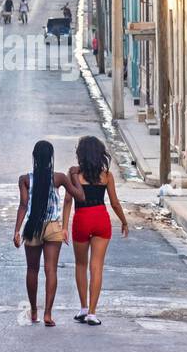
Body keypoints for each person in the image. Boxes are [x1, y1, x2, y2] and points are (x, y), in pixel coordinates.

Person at [13, 141, 86, 326]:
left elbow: (23, 206)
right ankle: (48, 314)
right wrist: (75, 176)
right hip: (53, 227)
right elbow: (80, 196)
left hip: (32, 228)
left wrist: (16, 231)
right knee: (51, 270)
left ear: (34, 157)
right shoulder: (59, 178)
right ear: (51, 157)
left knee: (32, 270)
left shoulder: (25, 179)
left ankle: (34, 311)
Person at [61, 135, 129, 325]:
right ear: (100, 154)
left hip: (81, 219)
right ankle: (92, 312)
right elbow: (114, 203)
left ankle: (83, 308)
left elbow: (67, 201)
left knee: (81, 266)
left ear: (80, 154)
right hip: (101, 218)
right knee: (96, 266)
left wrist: (64, 227)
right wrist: (124, 221)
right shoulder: (106, 175)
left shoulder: (75, 175)